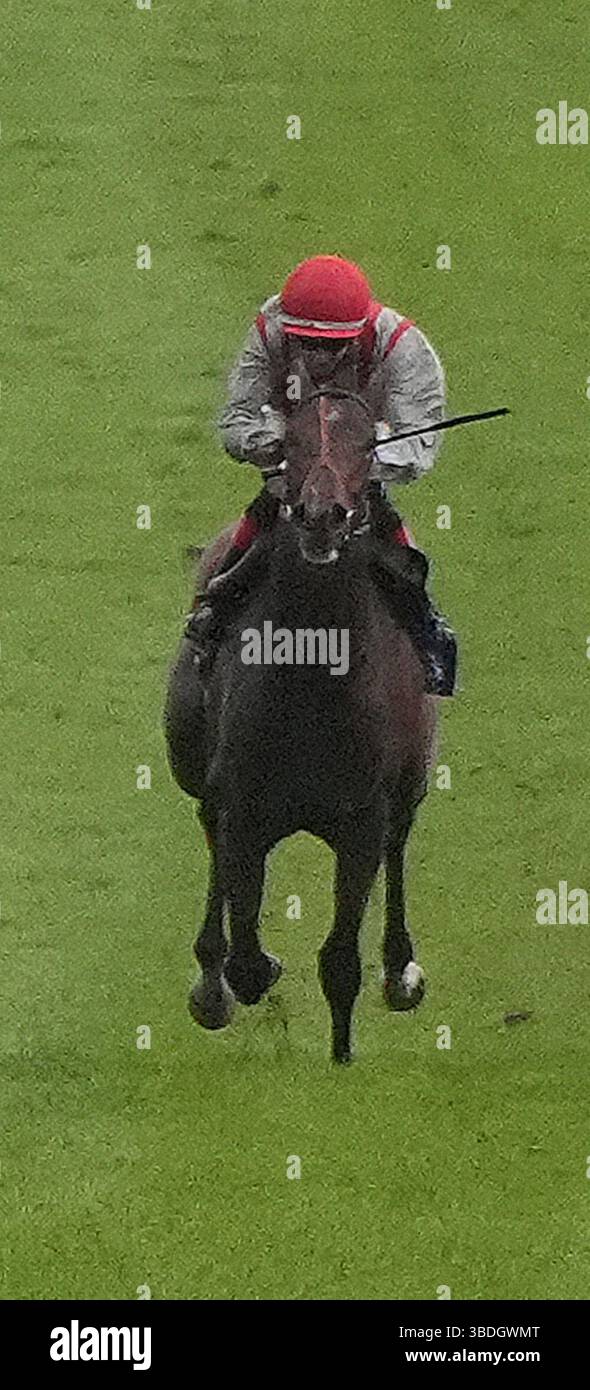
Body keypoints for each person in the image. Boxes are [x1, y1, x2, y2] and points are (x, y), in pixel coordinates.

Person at [186, 254, 457, 695]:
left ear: (358, 335)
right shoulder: (268, 332)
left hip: (363, 470)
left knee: (385, 526)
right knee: (269, 513)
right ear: (287, 328)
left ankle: (426, 628)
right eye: (303, 343)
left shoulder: (402, 348)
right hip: (289, 465)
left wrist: (356, 461)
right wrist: (274, 447)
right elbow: (236, 420)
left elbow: (419, 445)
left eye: (332, 347)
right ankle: (213, 607)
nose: (316, 357)